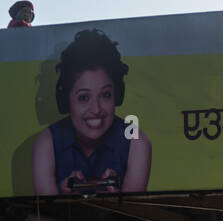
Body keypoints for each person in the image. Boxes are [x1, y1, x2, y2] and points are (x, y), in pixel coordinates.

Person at [31, 29, 151, 195]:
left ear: (118, 94)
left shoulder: (137, 142)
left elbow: (134, 217)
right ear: (66, 100)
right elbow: (43, 218)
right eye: (83, 98)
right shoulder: (46, 144)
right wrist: (62, 203)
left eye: (106, 95)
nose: (96, 109)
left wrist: (118, 200)